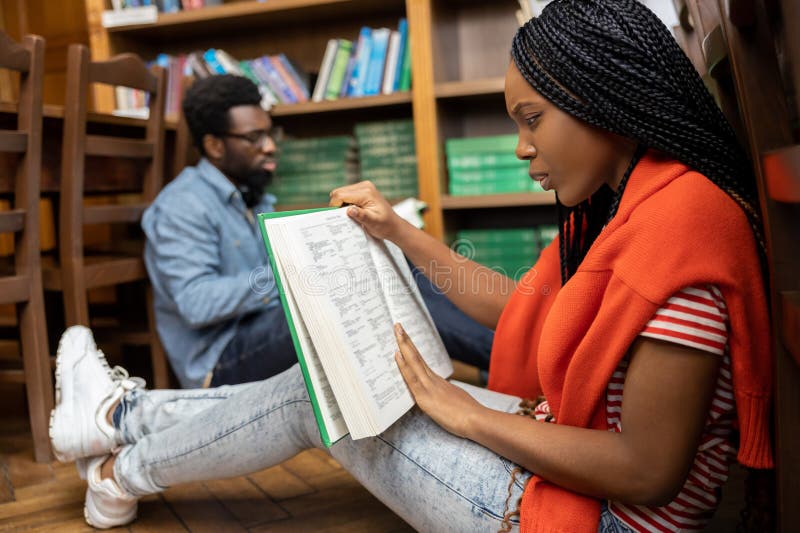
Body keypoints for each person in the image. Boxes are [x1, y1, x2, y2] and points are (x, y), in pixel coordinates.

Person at [49, 1, 773, 531]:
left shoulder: (677, 235)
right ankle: (120, 418)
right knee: (336, 381)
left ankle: (119, 459)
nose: (522, 146)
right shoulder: (642, 204)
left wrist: (461, 407)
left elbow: (648, 470)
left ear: (603, 98)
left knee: (326, 392)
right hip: (581, 473)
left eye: (531, 119)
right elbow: (524, 304)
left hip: (597, 517)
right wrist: (397, 232)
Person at [141, 74, 493, 388]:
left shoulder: (252, 195)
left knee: (396, 266)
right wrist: (294, 273)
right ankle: (512, 365)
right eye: (254, 137)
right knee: (359, 285)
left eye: (270, 133)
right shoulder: (182, 206)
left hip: (265, 328)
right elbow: (195, 303)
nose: (270, 146)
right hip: (220, 362)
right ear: (215, 145)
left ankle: (506, 362)